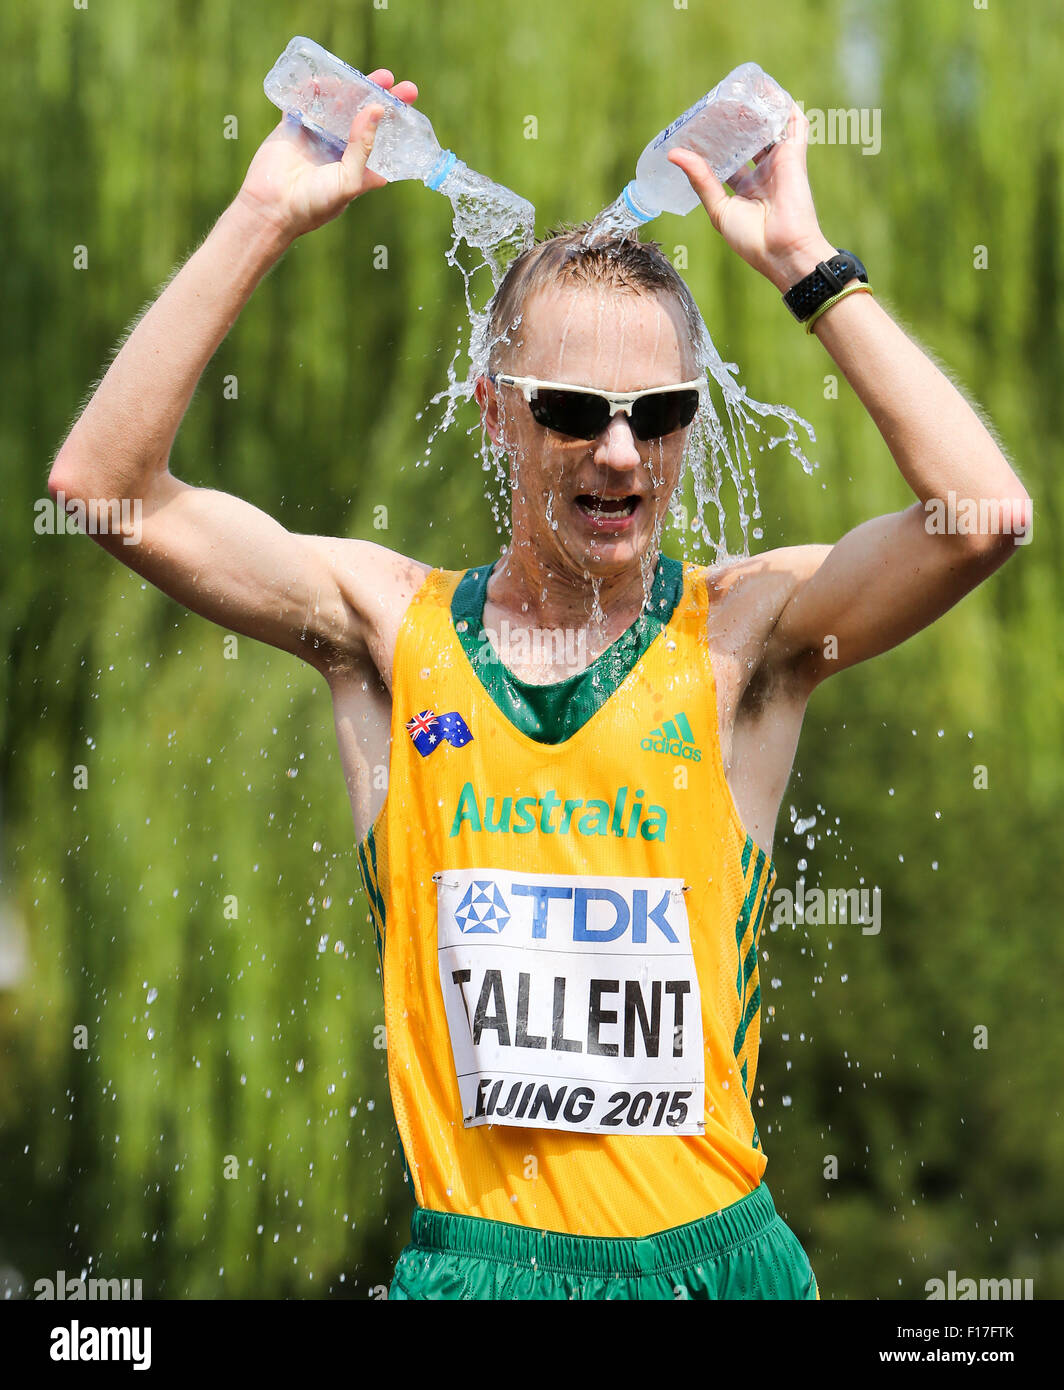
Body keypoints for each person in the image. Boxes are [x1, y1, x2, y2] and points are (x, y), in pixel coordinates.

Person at [48, 72, 1030, 1301]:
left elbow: (980, 517)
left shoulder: (741, 637)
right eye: (571, 411)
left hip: (717, 1266)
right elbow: (106, 491)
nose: (619, 451)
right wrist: (264, 217)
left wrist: (803, 262)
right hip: (483, 1269)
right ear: (496, 415)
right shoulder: (384, 628)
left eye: (657, 414)